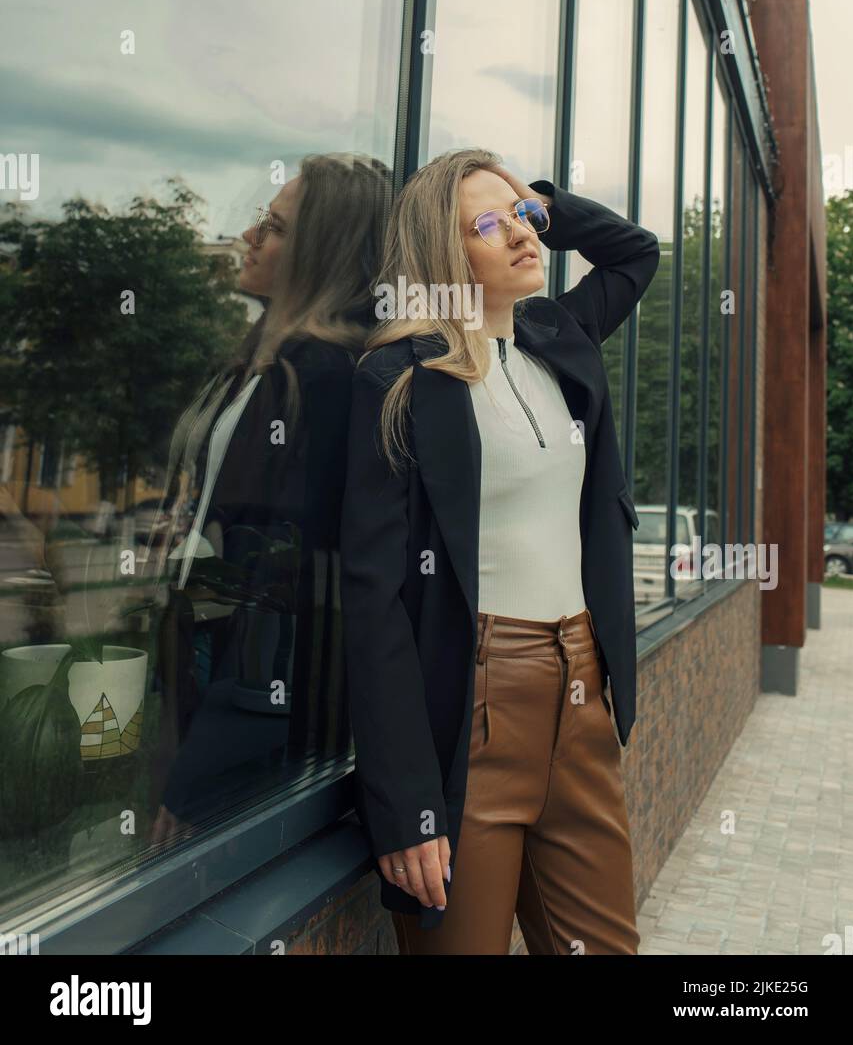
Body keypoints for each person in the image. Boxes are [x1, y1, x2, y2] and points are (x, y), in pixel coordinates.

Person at [340, 147, 659, 955]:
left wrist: (541, 203)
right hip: (473, 710)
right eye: (489, 224)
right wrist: (406, 800)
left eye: (521, 217)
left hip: (581, 692)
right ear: (445, 255)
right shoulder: (402, 379)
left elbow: (635, 251)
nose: (520, 234)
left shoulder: (559, 334)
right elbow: (375, 604)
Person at [146, 152, 391, 844]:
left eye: (275, 227)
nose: (251, 237)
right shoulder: (263, 359)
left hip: (246, 723)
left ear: (321, 253)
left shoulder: (324, 379)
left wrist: (203, 768)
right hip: (199, 686)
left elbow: (279, 595)